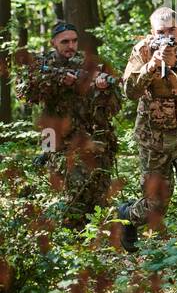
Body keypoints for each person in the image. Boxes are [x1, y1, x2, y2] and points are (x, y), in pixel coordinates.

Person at [15, 22, 121, 229]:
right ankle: (72, 236)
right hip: (56, 138)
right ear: (53, 42)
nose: (71, 45)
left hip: (93, 137)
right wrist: (58, 79)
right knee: (73, 189)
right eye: (65, 41)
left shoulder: (90, 64)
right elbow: (23, 91)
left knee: (98, 192)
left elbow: (115, 106)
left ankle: (95, 239)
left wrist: (105, 89)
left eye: (74, 41)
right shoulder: (42, 64)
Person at [117, 7, 177, 255]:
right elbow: (129, 92)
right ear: (152, 33)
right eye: (161, 32)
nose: (168, 37)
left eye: (172, 31)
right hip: (153, 138)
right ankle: (128, 215)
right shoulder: (143, 50)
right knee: (156, 204)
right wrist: (151, 66)